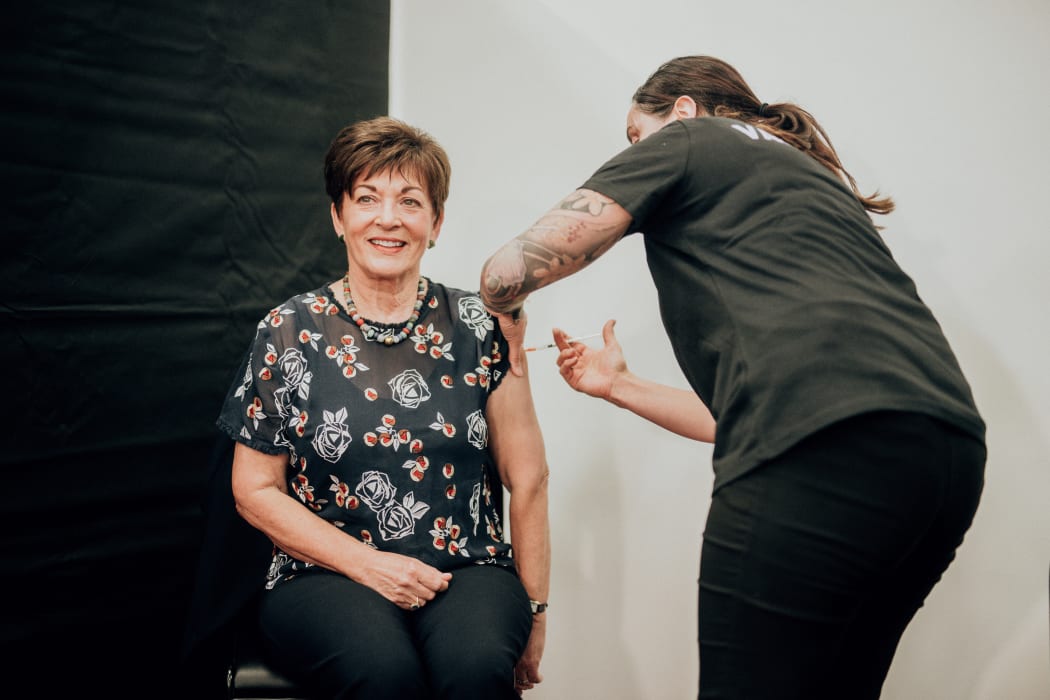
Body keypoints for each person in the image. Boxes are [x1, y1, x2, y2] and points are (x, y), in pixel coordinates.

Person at [479, 55, 985, 699]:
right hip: (945, 460)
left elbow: (507, 271)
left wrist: (503, 309)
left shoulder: (691, 137)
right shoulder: (813, 180)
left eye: (638, 136)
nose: (636, 152)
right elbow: (745, 420)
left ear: (683, 110)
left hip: (821, 454)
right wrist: (620, 386)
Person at [217, 116, 550, 699]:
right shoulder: (288, 331)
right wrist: (370, 565)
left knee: (473, 671)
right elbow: (254, 489)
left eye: (410, 201)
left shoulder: (480, 324)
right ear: (338, 217)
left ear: (436, 223)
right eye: (366, 198)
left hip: (466, 566)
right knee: (384, 676)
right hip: (323, 571)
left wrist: (536, 613)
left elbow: (527, 478)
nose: (388, 218)